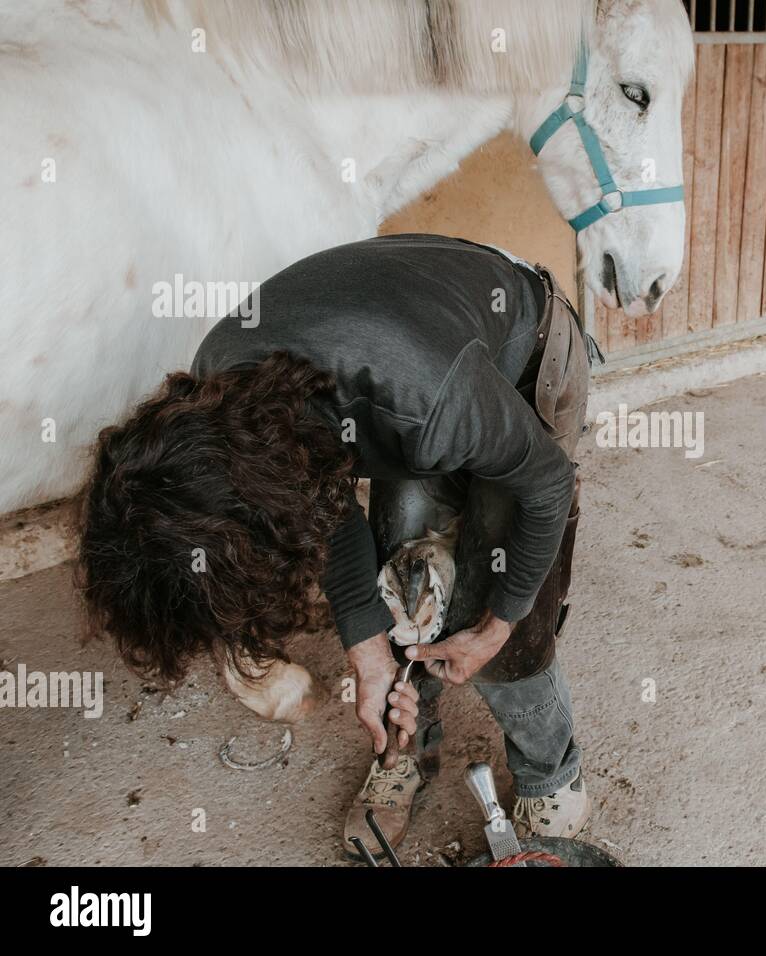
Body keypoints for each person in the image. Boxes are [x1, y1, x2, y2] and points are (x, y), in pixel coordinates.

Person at [77, 234, 594, 858]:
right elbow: (317, 505)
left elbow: (545, 485)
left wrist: (498, 627)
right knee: (404, 586)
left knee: (498, 597)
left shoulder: (427, 402)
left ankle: (551, 772)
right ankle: (410, 748)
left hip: (521, 357)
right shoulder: (217, 391)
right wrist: (368, 648)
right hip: (409, 360)